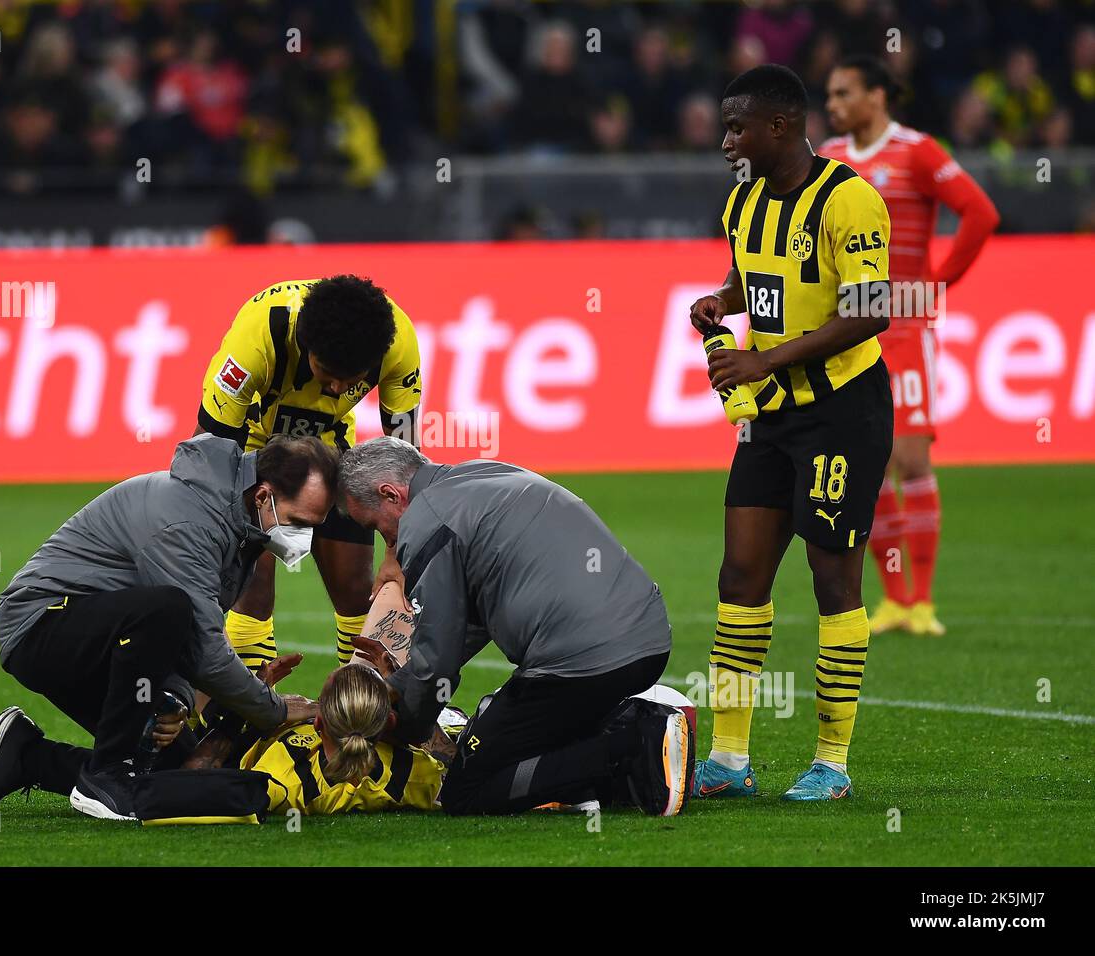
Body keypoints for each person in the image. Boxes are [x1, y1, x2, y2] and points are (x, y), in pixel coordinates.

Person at [688, 64, 893, 801]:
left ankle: (832, 764)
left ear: (780, 127)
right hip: (771, 412)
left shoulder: (850, 200)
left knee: (832, 576)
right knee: (739, 575)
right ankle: (730, 759)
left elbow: (872, 310)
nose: (725, 140)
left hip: (843, 410)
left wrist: (761, 358)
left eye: (737, 127)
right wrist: (719, 301)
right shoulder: (743, 200)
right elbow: (752, 278)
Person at [0, 434, 337, 821]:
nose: (303, 537)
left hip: (103, 632)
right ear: (263, 496)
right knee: (167, 609)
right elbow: (198, 643)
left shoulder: (239, 525)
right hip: (42, 626)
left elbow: (189, 629)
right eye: (298, 522)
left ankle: (27, 757)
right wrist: (271, 709)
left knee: (173, 771)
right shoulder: (191, 521)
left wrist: (174, 699)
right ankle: (107, 775)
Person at [335, 437, 689, 817]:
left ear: (390, 494)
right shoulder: (481, 473)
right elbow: (465, 625)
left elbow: (438, 661)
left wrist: (403, 723)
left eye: (374, 525)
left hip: (581, 664)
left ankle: (638, 744)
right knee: (514, 737)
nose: (386, 539)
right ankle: (636, 725)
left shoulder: (425, 521)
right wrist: (404, 680)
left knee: (466, 790)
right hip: (645, 640)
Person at [821, 54, 999, 637]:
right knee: (866, 466)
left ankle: (922, 600)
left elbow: (979, 211)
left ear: (877, 96)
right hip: (851, 328)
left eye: (844, 92)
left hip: (904, 329)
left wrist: (938, 284)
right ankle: (895, 599)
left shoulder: (917, 151)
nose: (833, 104)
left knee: (912, 458)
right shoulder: (830, 158)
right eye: (830, 95)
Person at [195, 275, 422, 670]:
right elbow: (207, 451)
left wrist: (396, 554)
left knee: (355, 590)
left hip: (330, 451)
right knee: (253, 586)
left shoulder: (397, 343)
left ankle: (360, 708)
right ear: (305, 345)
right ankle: (246, 716)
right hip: (252, 451)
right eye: (326, 372)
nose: (335, 389)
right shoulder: (258, 335)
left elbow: (405, 463)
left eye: (350, 382)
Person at [184, 661, 446, 816]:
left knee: (205, 663)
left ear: (319, 720)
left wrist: (245, 708)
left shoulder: (286, 780)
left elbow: (191, 784)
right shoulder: (414, 773)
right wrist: (408, 705)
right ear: (389, 722)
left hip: (234, 739)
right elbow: (457, 772)